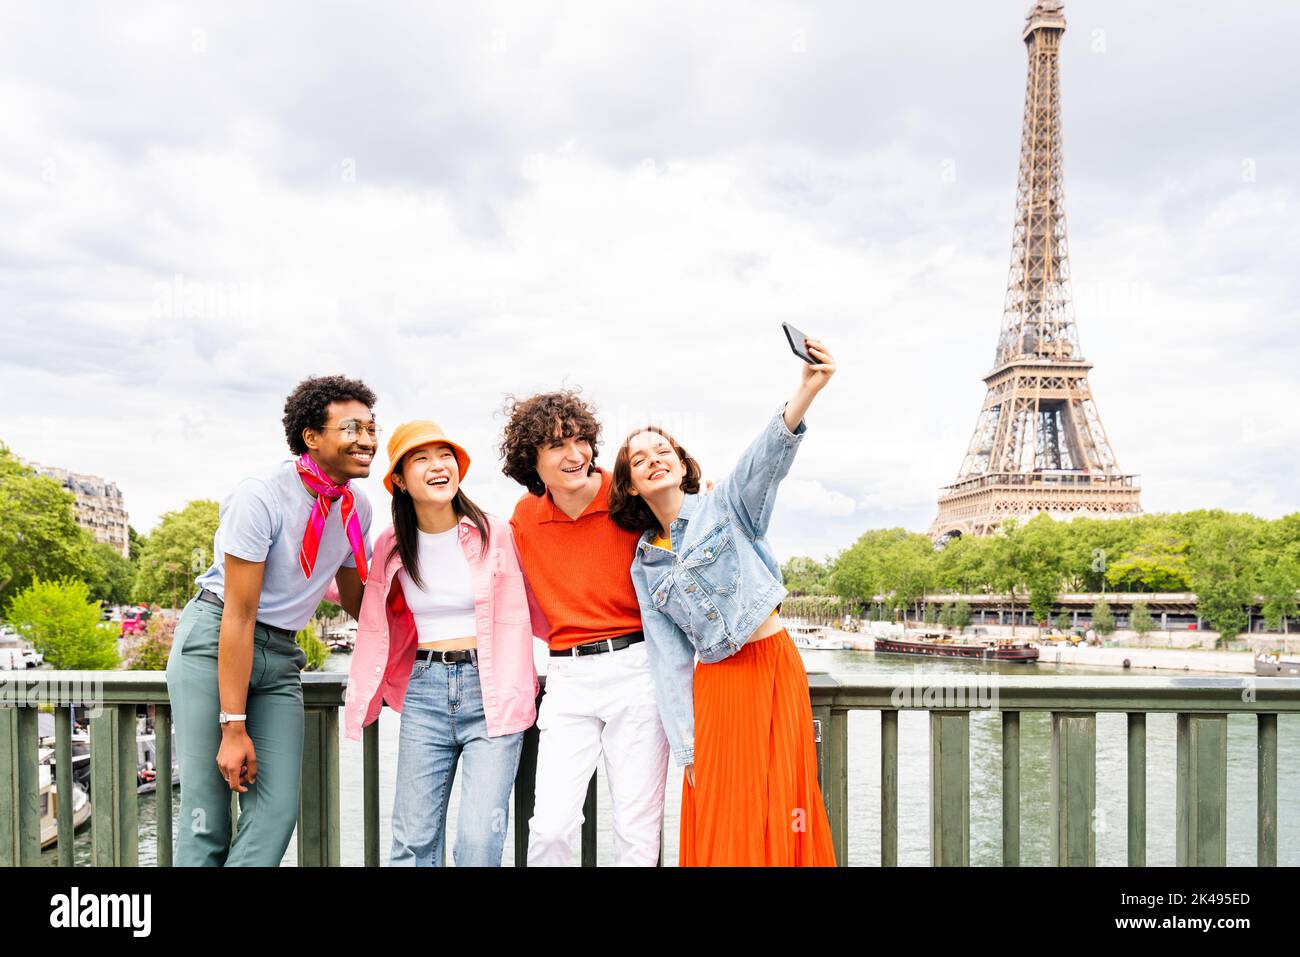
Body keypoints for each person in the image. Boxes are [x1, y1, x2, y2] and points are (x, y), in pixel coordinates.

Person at [608, 338, 838, 866]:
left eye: (662, 450)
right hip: (716, 687)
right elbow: (668, 662)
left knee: (782, 803)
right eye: (639, 459)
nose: (654, 460)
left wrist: (804, 392)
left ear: (681, 462)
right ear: (631, 485)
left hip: (770, 668)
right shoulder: (645, 565)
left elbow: (766, 461)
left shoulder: (726, 504)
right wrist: (686, 747)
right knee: (721, 806)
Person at [165, 374, 377, 866]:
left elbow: (355, 600)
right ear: (312, 436)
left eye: (372, 428)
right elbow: (238, 616)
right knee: (205, 814)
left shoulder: (356, 508)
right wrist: (233, 727)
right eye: (352, 428)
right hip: (215, 642)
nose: (367, 440)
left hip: (280, 656)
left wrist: (430, 626)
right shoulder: (260, 494)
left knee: (276, 812)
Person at [344, 420, 542, 866]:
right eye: (421, 458)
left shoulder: (498, 534)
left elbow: (543, 594)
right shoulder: (392, 545)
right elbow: (363, 600)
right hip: (425, 692)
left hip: (494, 694)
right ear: (398, 479)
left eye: (445, 455)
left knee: (477, 844)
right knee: (412, 844)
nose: (438, 466)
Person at [501, 389, 670, 866]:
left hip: (637, 670)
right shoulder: (525, 516)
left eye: (581, 440)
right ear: (530, 460)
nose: (575, 455)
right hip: (568, 679)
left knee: (636, 830)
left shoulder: (627, 494)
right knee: (550, 827)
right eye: (557, 445)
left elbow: (686, 520)